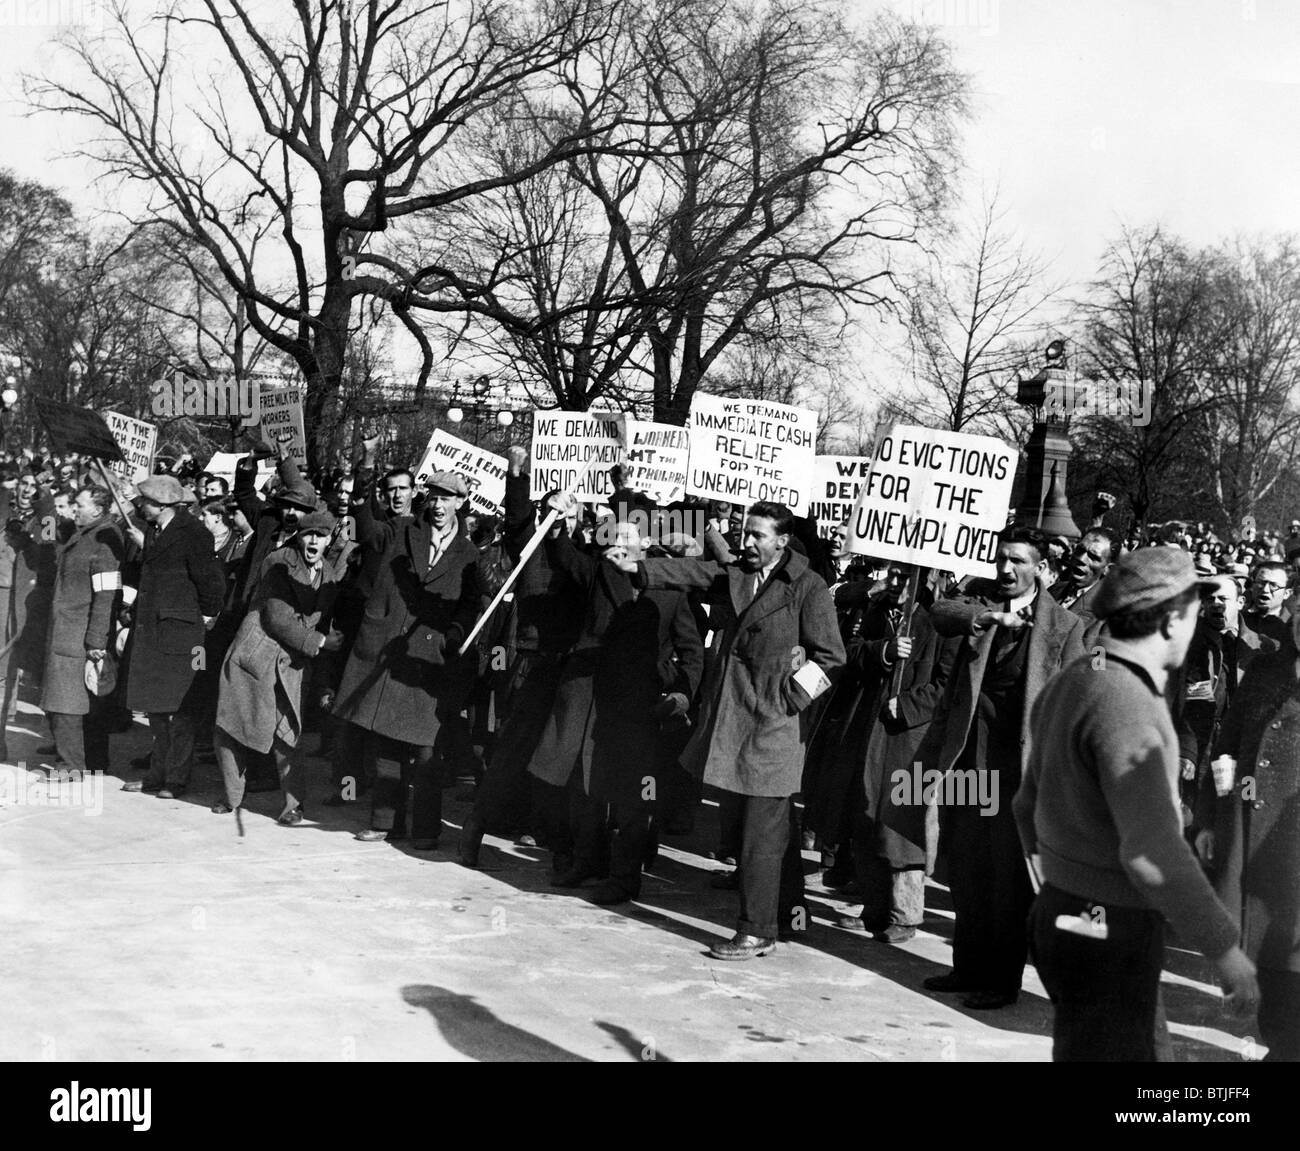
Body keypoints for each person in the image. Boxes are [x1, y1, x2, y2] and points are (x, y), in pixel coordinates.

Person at [1015, 547, 1258, 1061]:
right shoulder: (1128, 703)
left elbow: (1025, 805)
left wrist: (1060, 888)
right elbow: (1152, 855)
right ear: (1171, 620)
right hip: (1109, 928)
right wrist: (1227, 952)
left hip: (1062, 914)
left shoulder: (1074, 681)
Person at [616, 500, 845, 959]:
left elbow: (832, 658)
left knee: (761, 830)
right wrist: (638, 569)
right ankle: (790, 914)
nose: (747, 541)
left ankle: (758, 931)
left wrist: (789, 700)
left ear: (782, 541)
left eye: (758, 535)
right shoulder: (741, 573)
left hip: (775, 725)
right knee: (767, 826)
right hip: (738, 717)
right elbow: (694, 574)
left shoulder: (808, 586)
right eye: (744, 532)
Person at [923, 526, 1085, 1009]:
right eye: (1000, 559)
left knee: (1008, 880)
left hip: (1020, 770)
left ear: (1041, 569)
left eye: (1017, 561)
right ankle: (966, 967)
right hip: (969, 759)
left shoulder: (1065, 626)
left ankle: (1000, 981)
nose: (1005, 569)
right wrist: (990, 616)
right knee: (967, 867)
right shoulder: (980, 600)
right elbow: (940, 612)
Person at [528, 503, 702, 903]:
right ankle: (585, 861)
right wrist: (556, 521)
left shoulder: (670, 588)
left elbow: (692, 651)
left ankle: (625, 876)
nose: (618, 544)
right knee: (586, 785)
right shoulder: (598, 571)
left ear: (647, 542)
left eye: (628, 537)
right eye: (613, 535)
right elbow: (563, 554)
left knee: (635, 793)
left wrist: (682, 695)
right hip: (591, 698)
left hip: (641, 706)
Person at [332, 470, 483, 848]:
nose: (438, 505)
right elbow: (364, 526)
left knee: (426, 750)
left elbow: (470, 606)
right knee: (387, 744)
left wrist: (456, 634)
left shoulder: (468, 554)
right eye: (433, 497)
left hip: (429, 663)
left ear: (460, 504)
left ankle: (426, 829)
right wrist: (366, 468)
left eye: (446, 498)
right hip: (390, 654)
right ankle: (386, 822)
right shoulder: (399, 531)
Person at [830, 562, 958, 942]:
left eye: (908, 575)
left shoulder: (942, 623)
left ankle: (905, 914)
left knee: (903, 824)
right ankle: (874, 909)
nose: (898, 582)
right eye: (895, 574)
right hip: (872, 729)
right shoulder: (878, 614)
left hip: (914, 738)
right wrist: (883, 651)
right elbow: (850, 654)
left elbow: (947, 685)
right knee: (867, 815)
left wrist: (909, 705)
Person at [212, 509, 343, 825]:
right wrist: (321, 642)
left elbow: (324, 619)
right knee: (231, 729)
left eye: (321, 536)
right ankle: (231, 796)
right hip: (255, 657)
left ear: (329, 540)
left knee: (290, 736)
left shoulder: (329, 575)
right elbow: (276, 617)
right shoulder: (278, 562)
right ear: (300, 535)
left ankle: (294, 805)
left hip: (292, 665)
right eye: (308, 534)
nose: (313, 540)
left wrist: (323, 652)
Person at [120, 475, 227, 798]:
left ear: (162, 505)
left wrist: (205, 617)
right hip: (153, 630)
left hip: (181, 634)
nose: (140, 506)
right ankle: (156, 775)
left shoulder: (193, 533)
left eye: (145, 502)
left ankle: (176, 779)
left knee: (180, 710)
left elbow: (212, 584)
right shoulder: (156, 530)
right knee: (155, 708)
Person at [39, 486, 124, 777]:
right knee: (82, 700)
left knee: (68, 703)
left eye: (80, 504)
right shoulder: (86, 534)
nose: (74, 508)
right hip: (70, 630)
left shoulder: (104, 541)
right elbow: (48, 525)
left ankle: (70, 765)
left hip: (79, 633)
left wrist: (96, 639)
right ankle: (93, 761)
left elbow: (106, 596)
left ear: (98, 510)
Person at [1050, 527, 1118, 619]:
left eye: (1093, 557)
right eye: (1080, 550)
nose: (1081, 559)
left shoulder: (1106, 613)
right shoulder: (1054, 590)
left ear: (1108, 569)